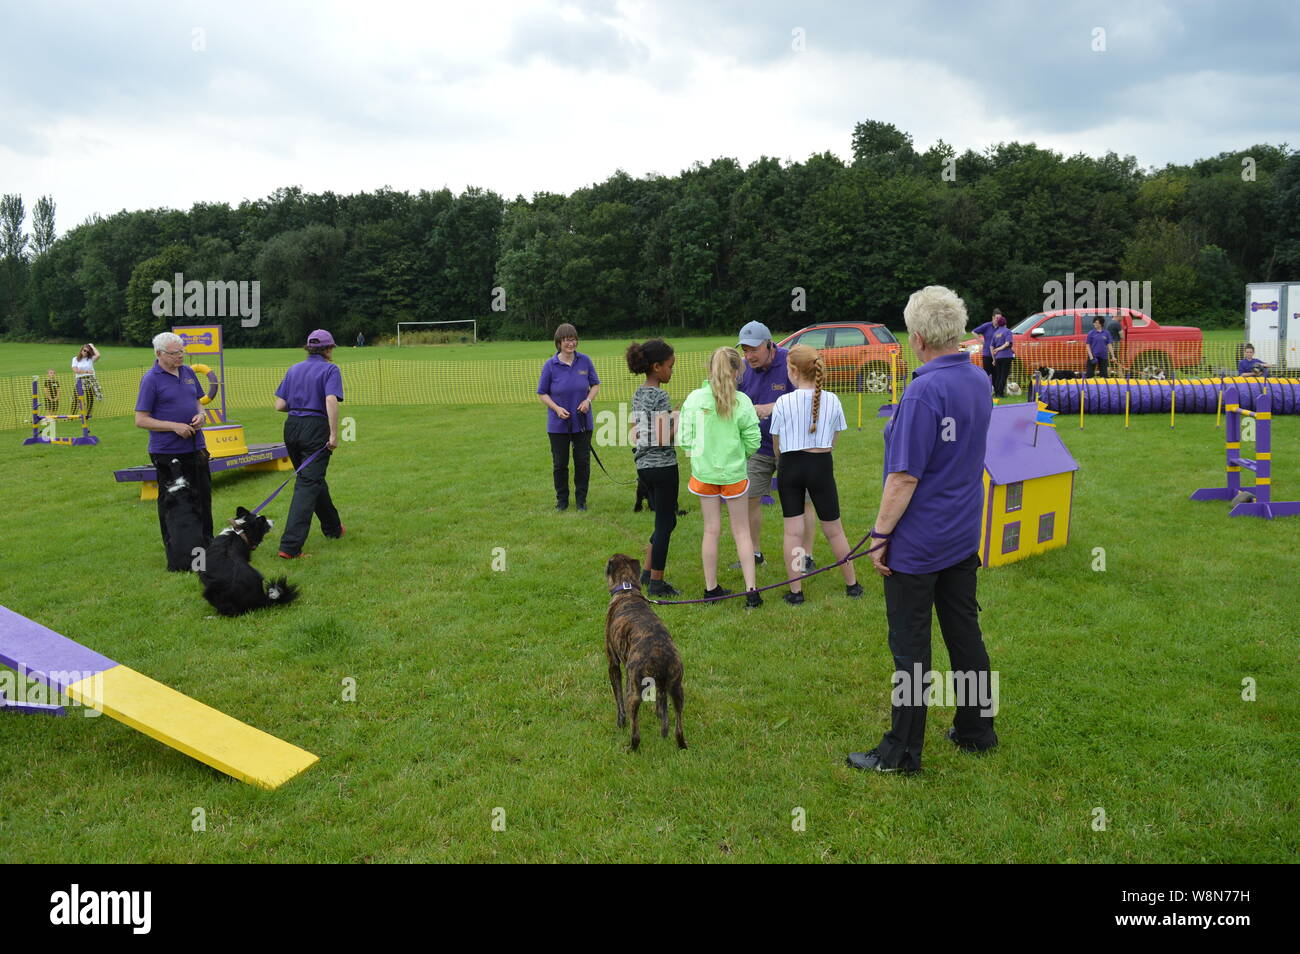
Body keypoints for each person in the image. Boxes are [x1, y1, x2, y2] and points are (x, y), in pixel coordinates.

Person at [848, 286, 998, 774]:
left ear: (916, 338)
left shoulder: (922, 392)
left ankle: (901, 752)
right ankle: (977, 729)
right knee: (964, 633)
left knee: (910, 650)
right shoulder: (978, 380)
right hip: (960, 535)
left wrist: (879, 534)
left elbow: (904, 476)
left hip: (920, 542)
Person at [769, 345, 863, 604]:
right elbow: (834, 439)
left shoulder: (783, 402)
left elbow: (776, 443)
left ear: (794, 371)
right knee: (834, 529)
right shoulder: (832, 399)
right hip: (821, 465)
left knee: (793, 532)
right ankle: (852, 585)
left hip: (790, 466)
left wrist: (782, 461)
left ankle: (796, 592)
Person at [679, 347, 763, 609]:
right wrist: (737, 456)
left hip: (706, 474)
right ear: (737, 372)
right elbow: (754, 440)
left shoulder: (694, 399)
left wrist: (700, 458)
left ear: (709, 369)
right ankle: (751, 592)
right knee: (742, 531)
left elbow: (684, 439)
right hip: (733, 474)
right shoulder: (742, 402)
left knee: (711, 530)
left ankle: (710, 588)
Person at [736, 321, 815, 572]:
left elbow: (808, 395)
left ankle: (806, 556)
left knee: (802, 502)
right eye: (744, 350)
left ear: (769, 345)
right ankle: (754, 552)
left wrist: (772, 408)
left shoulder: (790, 362)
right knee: (749, 498)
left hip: (793, 446)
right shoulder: (744, 370)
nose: (749, 356)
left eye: (753, 350)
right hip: (757, 447)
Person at [134, 332, 212, 571]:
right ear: (159, 354)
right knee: (177, 505)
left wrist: (201, 415)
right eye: (174, 353)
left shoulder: (188, 373)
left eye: (182, 351)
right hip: (168, 453)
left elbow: (198, 401)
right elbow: (141, 420)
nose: (180, 356)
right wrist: (174, 427)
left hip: (196, 447)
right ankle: (180, 558)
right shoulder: (151, 380)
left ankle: (205, 554)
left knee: (203, 500)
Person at [274, 329, 346, 558]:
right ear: (328, 349)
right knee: (307, 484)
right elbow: (330, 399)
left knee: (311, 479)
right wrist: (333, 434)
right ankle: (290, 547)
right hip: (315, 427)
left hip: (292, 426)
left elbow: (279, 405)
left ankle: (333, 529)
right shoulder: (330, 369)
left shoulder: (294, 369)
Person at [627, 339, 681, 597]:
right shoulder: (660, 395)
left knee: (667, 521)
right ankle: (658, 583)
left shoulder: (639, 393)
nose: (672, 371)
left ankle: (647, 573)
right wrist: (679, 418)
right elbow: (662, 438)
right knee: (664, 523)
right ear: (657, 367)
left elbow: (639, 431)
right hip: (663, 466)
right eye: (670, 366)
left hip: (644, 467)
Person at [537, 323, 600, 511]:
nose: (571, 343)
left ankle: (581, 501)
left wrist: (588, 400)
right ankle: (562, 501)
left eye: (573, 339)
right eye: (566, 340)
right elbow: (542, 393)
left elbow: (595, 385)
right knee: (560, 464)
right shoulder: (550, 365)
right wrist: (556, 408)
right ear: (558, 342)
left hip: (582, 423)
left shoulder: (585, 361)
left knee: (582, 463)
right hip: (558, 425)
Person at [70, 343, 103, 418]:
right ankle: (72, 415)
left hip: (90, 379)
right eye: (84, 350)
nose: (85, 352)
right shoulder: (75, 359)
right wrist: (87, 372)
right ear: (81, 350)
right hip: (80, 379)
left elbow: (98, 355)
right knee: (76, 397)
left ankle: (88, 414)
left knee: (90, 397)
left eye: (88, 351)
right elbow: (76, 370)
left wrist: (92, 346)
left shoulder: (90, 359)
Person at [970, 309, 1002, 381]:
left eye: (1000, 318)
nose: (998, 320)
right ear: (993, 318)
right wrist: (981, 341)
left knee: (996, 374)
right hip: (987, 354)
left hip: (998, 355)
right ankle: (985, 389)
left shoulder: (1001, 327)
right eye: (997, 318)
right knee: (986, 374)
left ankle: (996, 390)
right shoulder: (987, 326)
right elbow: (974, 332)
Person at [989, 313, 1015, 397]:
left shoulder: (995, 333)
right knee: (1003, 375)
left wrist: (993, 359)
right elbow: (1007, 344)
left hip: (998, 357)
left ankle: (997, 392)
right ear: (1005, 323)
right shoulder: (1008, 331)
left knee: (998, 375)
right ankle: (1000, 393)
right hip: (1006, 356)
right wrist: (999, 349)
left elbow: (991, 347)